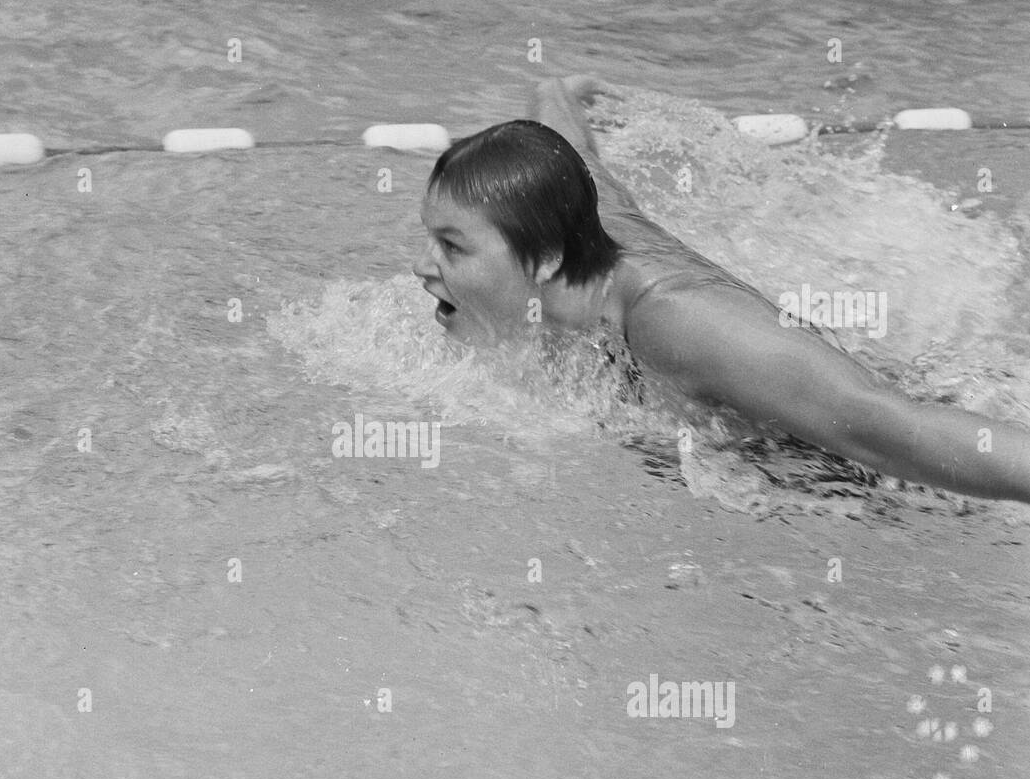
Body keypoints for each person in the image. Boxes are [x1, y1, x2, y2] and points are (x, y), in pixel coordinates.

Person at [413, 75, 1030, 504]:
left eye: (452, 245)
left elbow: (888, 426)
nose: (424, 267)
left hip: (911, 486)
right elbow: (574, 150)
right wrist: (557, 94)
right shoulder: (586, 228)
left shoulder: (678, 321)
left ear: (545, 259)